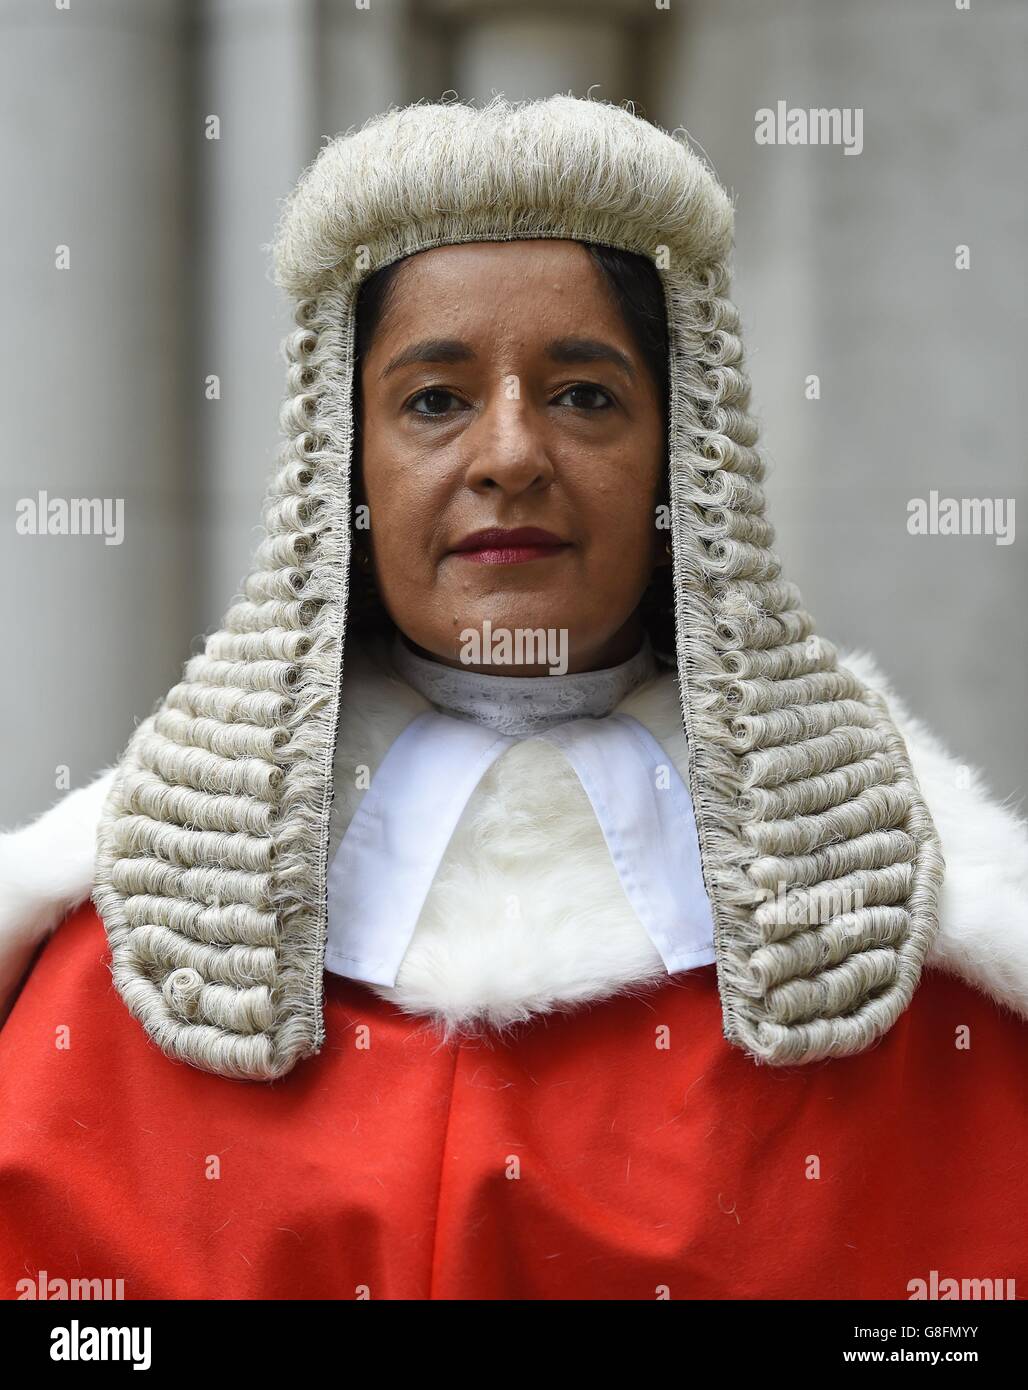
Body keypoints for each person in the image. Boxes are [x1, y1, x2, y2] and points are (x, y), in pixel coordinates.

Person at [0, 95, 1025, 1301]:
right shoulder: (114, 958)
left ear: (679, 455)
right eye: (433, 399)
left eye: (583, 394)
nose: (508, 455)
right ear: (348, 465)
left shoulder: (918, 971)